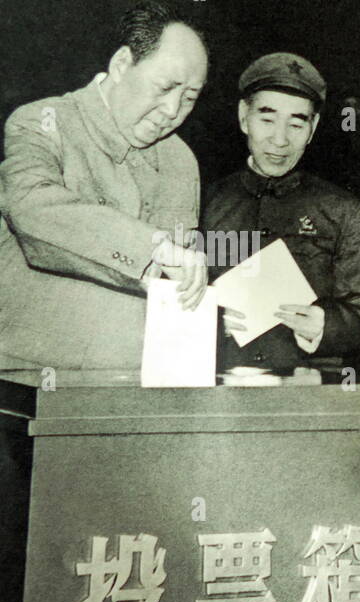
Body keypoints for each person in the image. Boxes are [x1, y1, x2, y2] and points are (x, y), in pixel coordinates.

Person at [0, 1, 208, 369]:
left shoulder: (181, 161)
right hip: (31, 382)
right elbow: (32, 205)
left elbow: (175, 290)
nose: (174, 111)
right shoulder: (42, 122)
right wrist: (154, 249)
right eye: (165, 87)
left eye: (189, 97)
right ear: (122, 64)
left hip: (135, 383)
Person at [203, 53, 360, 370]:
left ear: (312, 128)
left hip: (308, 390)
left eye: (296, 123)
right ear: (244, 116)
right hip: (218, 381)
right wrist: (211, 322)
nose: (280, 139)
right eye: (267, 119)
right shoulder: (205, 201)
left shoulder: (342, 210)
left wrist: (325, 325)